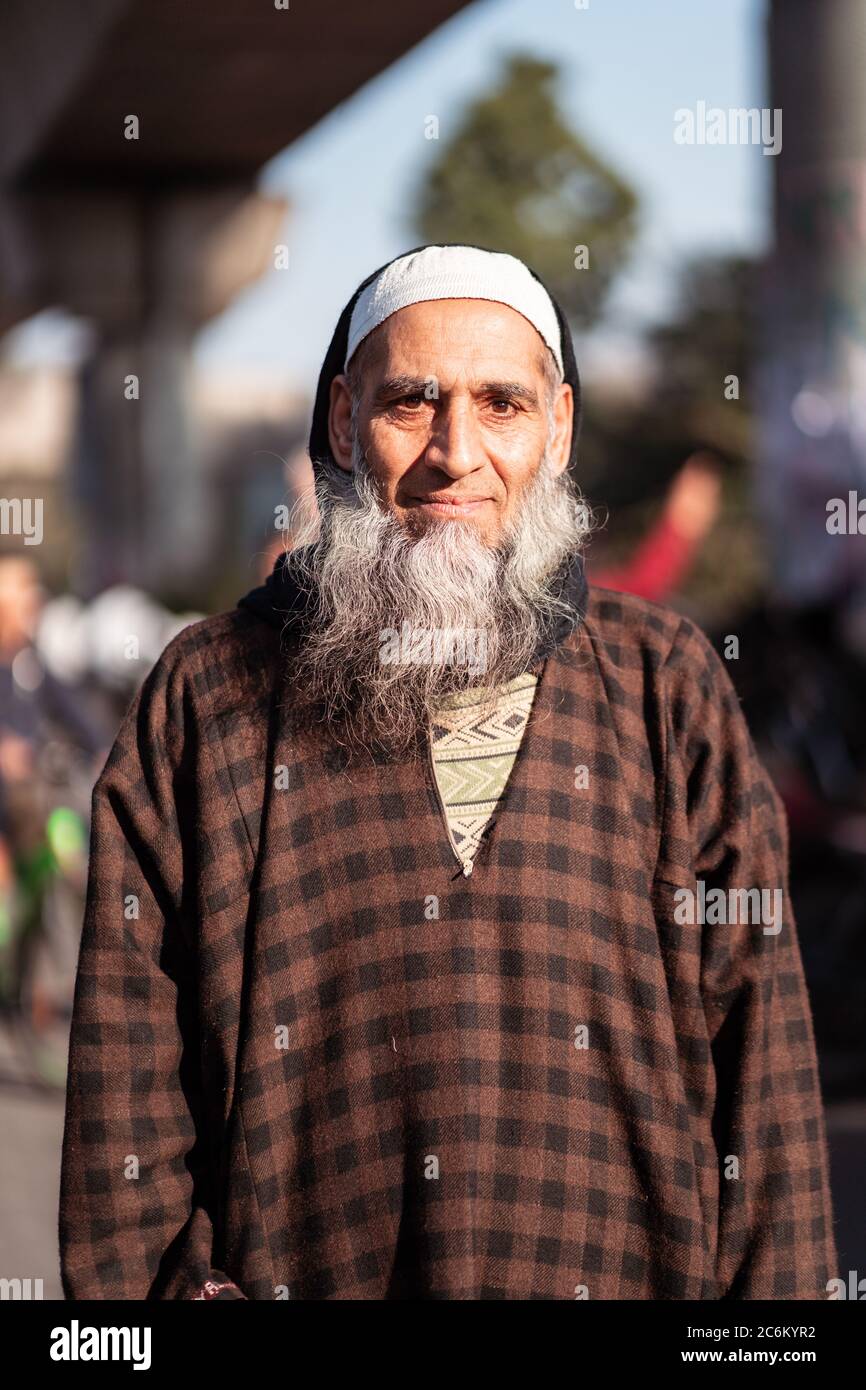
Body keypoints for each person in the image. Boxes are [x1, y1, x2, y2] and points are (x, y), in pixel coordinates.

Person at [59, 244, 837, 1300]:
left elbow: (764, 1084)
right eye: (412, 402)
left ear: (556, 427)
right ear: (342, 420)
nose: (454, 452)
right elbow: (124, 1095)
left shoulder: (667, 687)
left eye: (501, 405)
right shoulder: (207, 694)